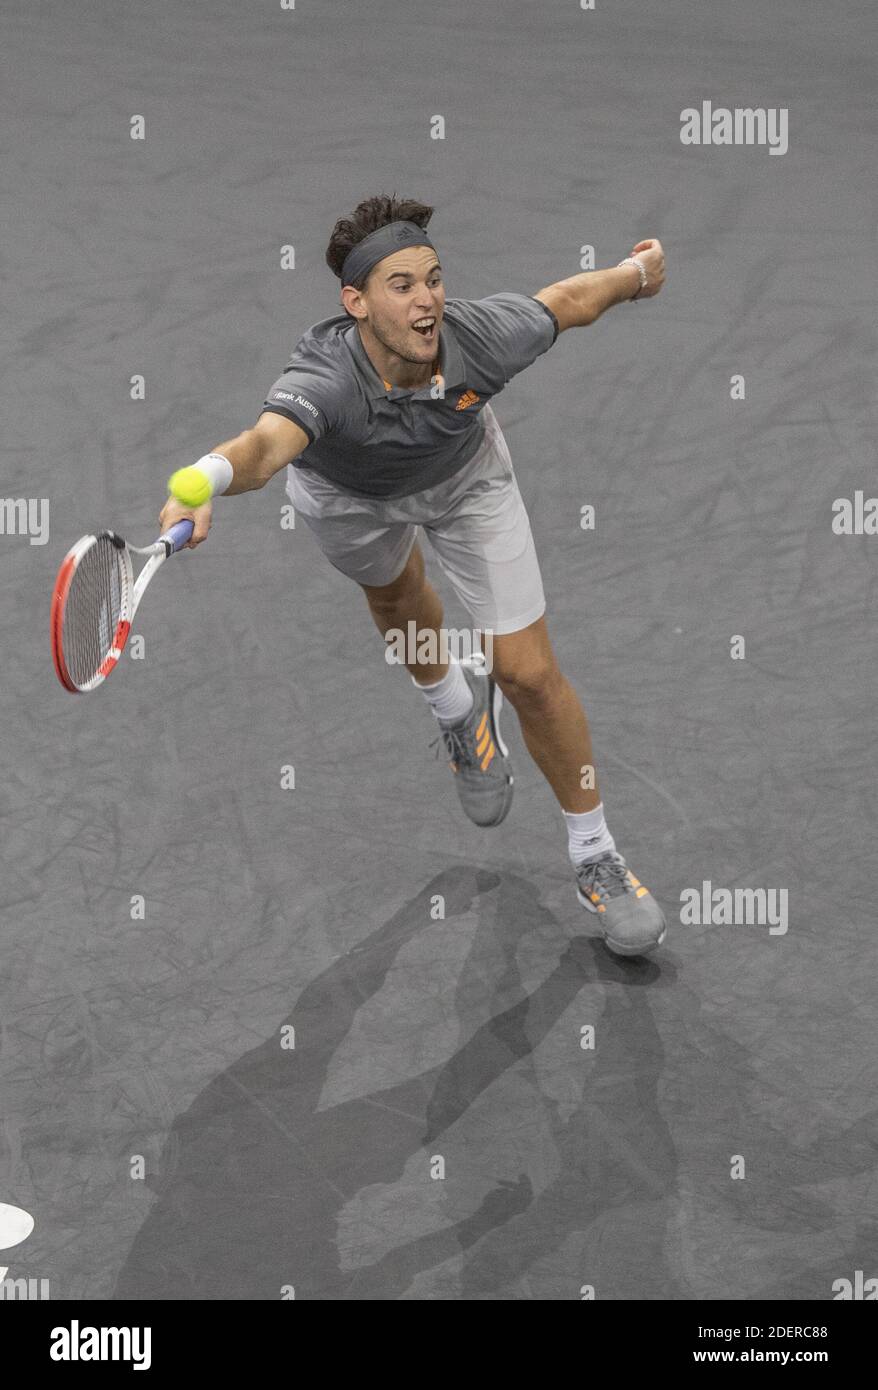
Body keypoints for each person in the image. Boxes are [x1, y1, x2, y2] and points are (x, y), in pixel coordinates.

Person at [158, 194, 668, 957]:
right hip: (347, 497)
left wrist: (637, 272)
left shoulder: (481, 338)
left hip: (467, 481)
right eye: (402, 285)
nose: (427, 298)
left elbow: (566, 302)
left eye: (433, 278)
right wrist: (203, 480)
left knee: (528, 674)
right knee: (396, 596)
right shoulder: (326, 380)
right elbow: (264, 448)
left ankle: (595, 854)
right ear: (355, 303)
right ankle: (457, 712)